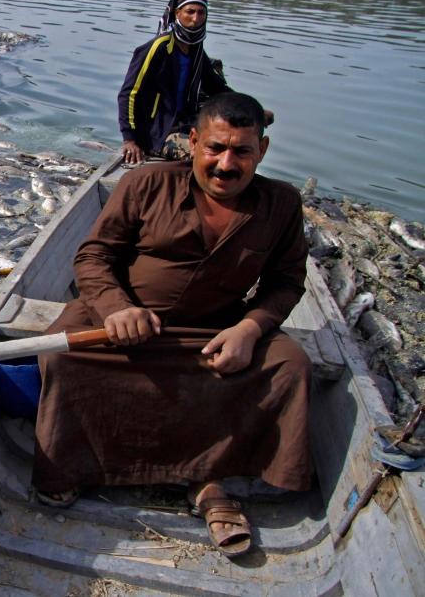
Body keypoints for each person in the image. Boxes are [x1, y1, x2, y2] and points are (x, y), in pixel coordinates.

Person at [33, 92, 311, 557]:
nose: (226, 164)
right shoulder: (147, 184)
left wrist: (249, 329)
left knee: (290, 365)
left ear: (261, 151)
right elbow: (94, 256)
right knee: (60, 352)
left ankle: (207, 478)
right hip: (124, 325)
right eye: (216, 149)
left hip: (213, 331)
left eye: (242, 151)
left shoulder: (282, 204)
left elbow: (285, 283)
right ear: (195, 143)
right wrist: (117, 308)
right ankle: (80, 463)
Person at [117, 0, 231, 164]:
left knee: (233, 143)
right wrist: (129, 140)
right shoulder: (158, 48)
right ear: (178, 13)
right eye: (190, 12)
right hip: (156, 132)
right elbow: (128, 94)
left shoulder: (196, 49)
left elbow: (215, 86)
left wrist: (249, 108)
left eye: (201, 12)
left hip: (184, 120)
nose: (196, 18)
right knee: (208, 154)